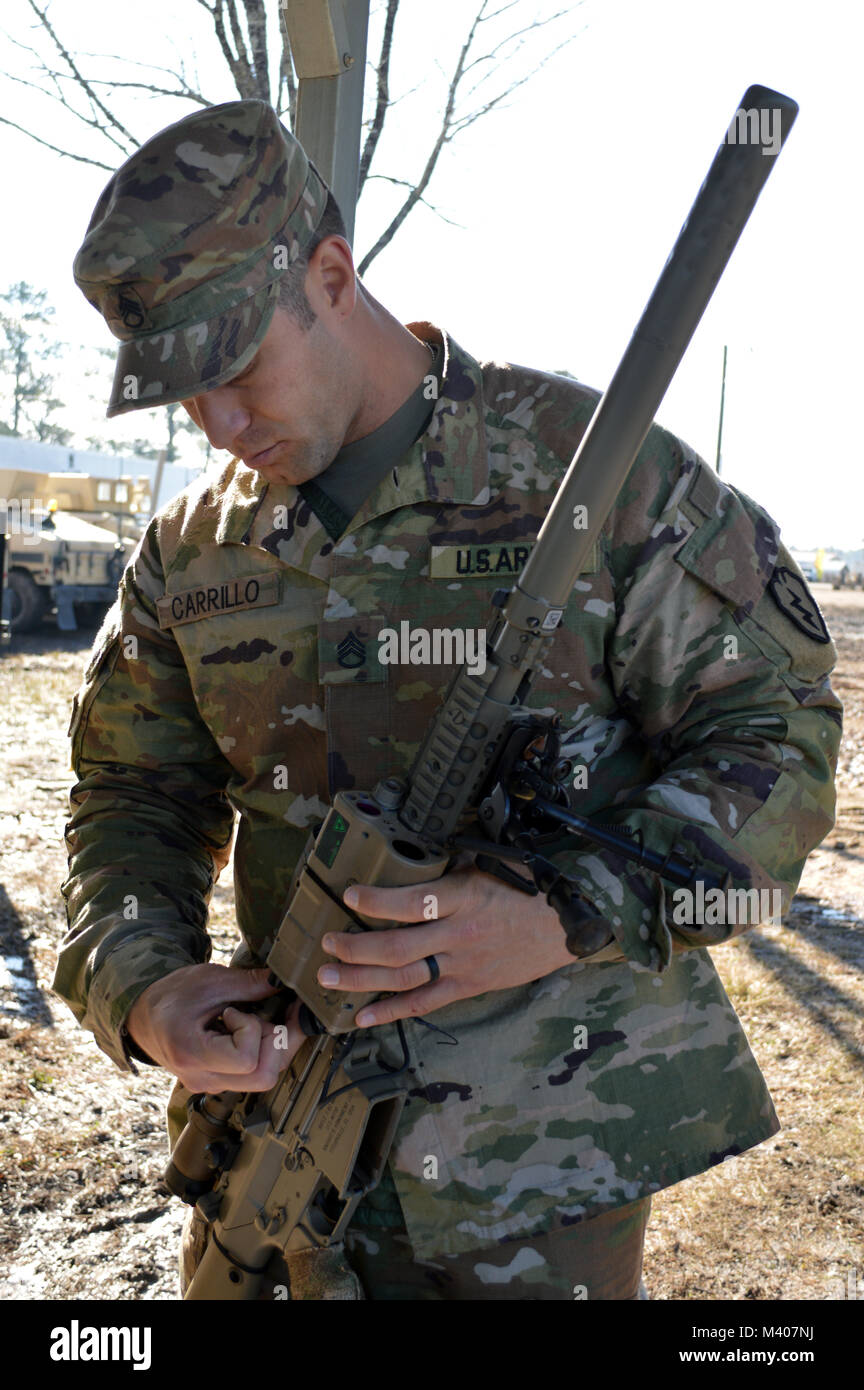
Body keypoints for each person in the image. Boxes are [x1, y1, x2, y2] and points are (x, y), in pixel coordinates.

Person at [56, 99, 841, 1301]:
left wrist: (568, 908)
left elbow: (777, 742)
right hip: (272, 1165)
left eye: (234, 368)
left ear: (331, 273)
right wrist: (144, 982)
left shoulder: (593, 477)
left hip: (535, 1178)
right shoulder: (193, 549)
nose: (215, 423)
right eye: (180, 395)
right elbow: (130, 789)